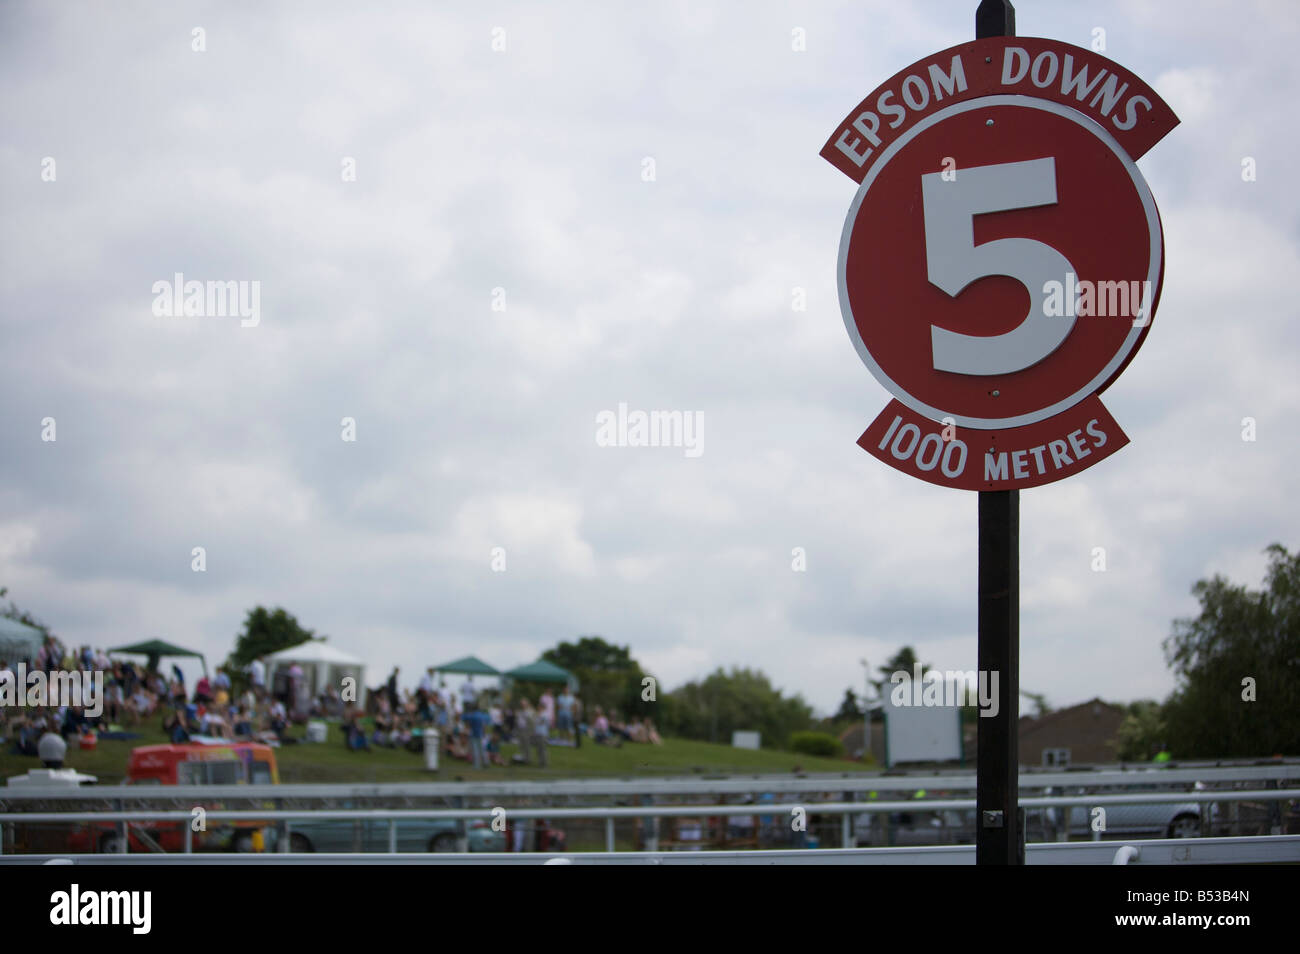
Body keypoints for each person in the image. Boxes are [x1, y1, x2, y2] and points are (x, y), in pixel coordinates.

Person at [462, 703, 491, 770]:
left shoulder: (472, 716)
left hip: (474, 734)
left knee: (475, 750)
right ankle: (486, 762)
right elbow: (485, 724)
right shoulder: (482, 715)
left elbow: (466, 720)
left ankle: (477, 765)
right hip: (481, 733)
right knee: (483, 749)